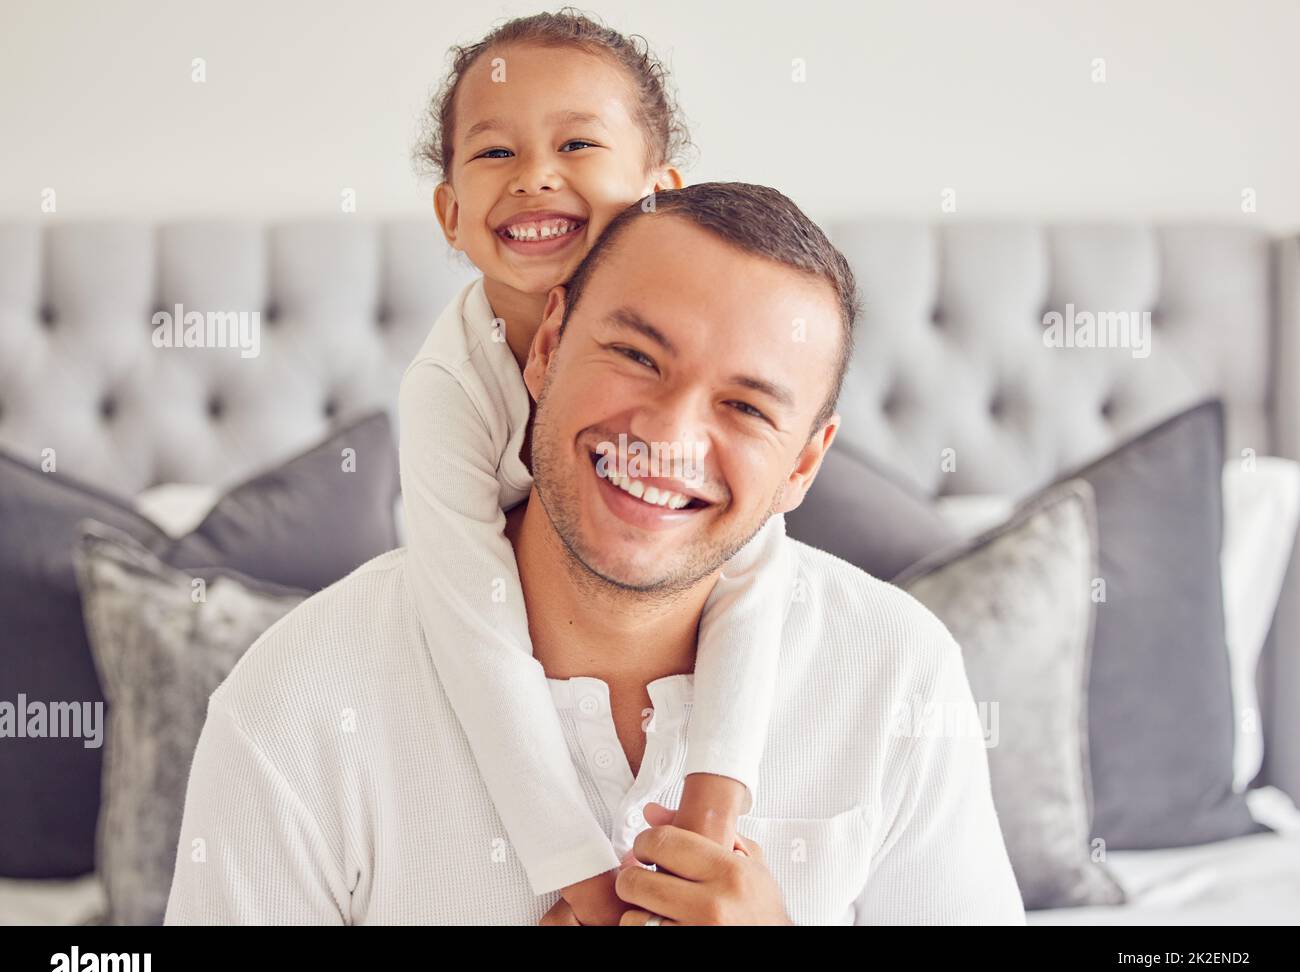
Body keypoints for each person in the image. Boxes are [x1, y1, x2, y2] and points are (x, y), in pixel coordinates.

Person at [164, 181, 1025, 925]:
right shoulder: (293, 704)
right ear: (546, 349)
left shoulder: (901, 673)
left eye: (748, 408)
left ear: (803, 463)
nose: (670, 436)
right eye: (635, 356)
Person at [400, 9, 795, 921]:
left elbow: (755, 572)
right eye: (494, 153)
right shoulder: (447, 389)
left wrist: (708, 819)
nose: (535, 174)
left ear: (659, 194)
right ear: (451, 212)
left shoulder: (714, 356)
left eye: (577, 142)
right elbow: (477, 635)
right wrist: (590, 887)